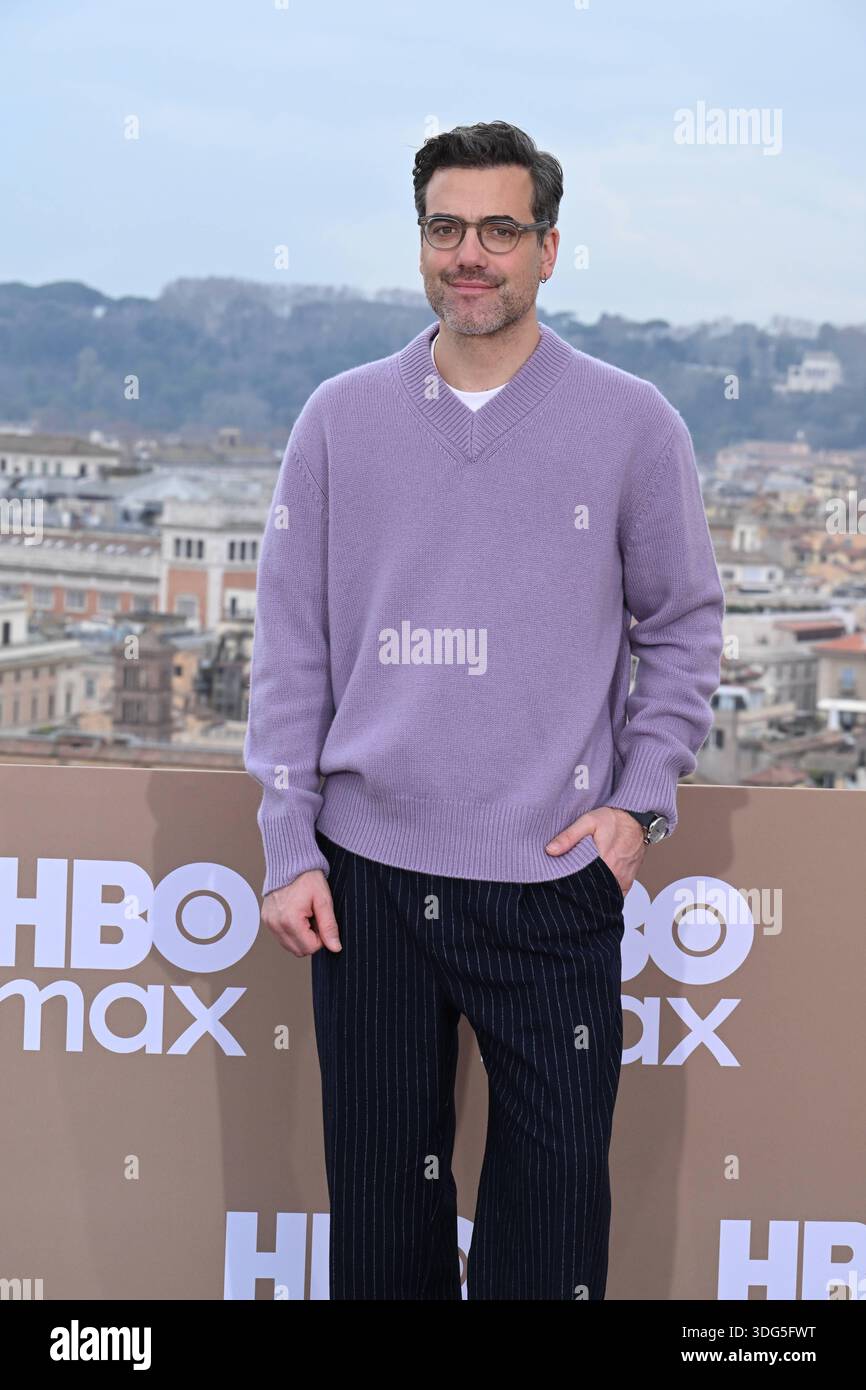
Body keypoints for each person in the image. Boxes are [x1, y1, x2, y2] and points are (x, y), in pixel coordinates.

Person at [243, 119, 725, 1300]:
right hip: (362, 883)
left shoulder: (629, 423)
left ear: (547, 250)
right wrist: (285, 841)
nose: (471, 253)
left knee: (551, 1238)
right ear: (420, 243)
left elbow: (682, 627)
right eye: (446, 227)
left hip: (553, 881)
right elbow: (291, 648)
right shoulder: (336, 419)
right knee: (378, 1233)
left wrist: (636, 804)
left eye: (499, 230)